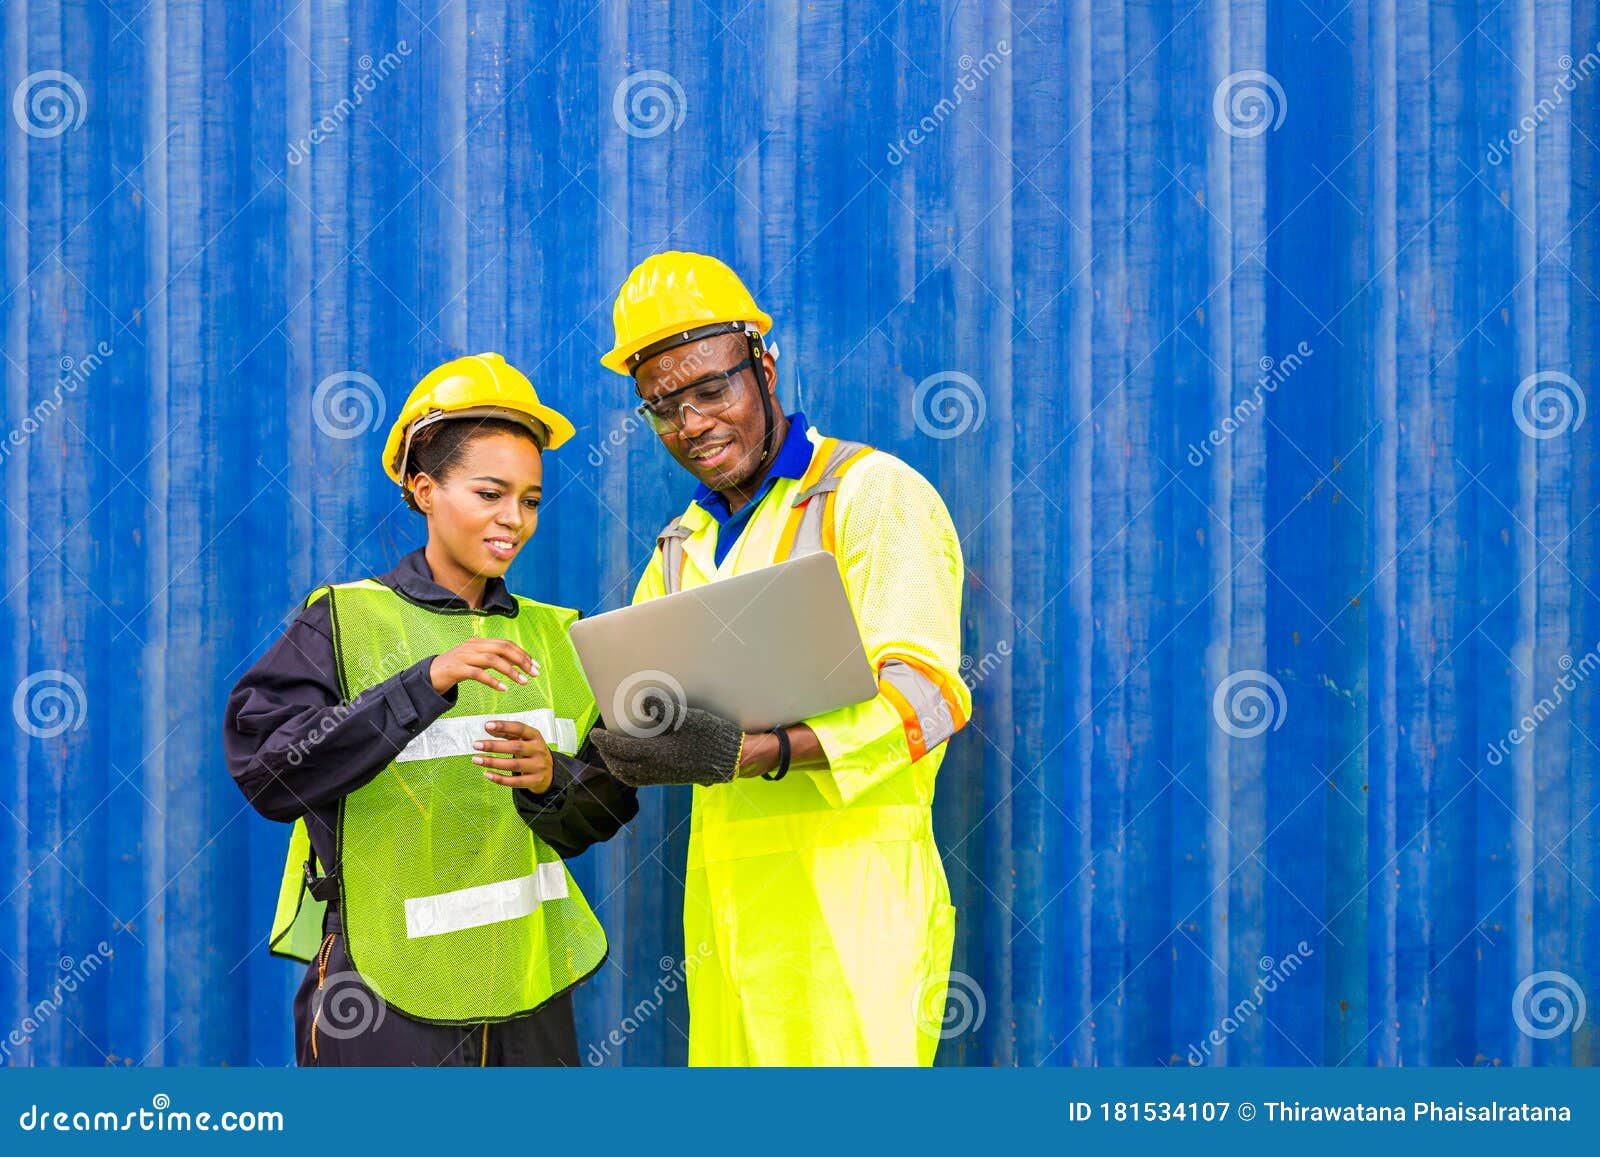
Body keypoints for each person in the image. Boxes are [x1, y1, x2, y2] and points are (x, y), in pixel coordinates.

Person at [585, 252, 971, 1065]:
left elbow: (931, 695)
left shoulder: (871, 494)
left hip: (850, 913)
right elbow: (650, 710)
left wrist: (763, 750)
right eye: (662, 407)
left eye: (710, 390)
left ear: (763, 366)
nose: (690, 424)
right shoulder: (680, 546)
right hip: (727, 913)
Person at [224, 353, 636, 1066]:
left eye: (531, 500)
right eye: (490, 492)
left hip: (528, 997)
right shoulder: (344, 622)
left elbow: (606, 807)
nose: (515, 519)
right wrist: (426, 682)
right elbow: (269, 774)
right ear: (424, 489)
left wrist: (551, 781)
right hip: (382, 1001)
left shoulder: (559, 635)